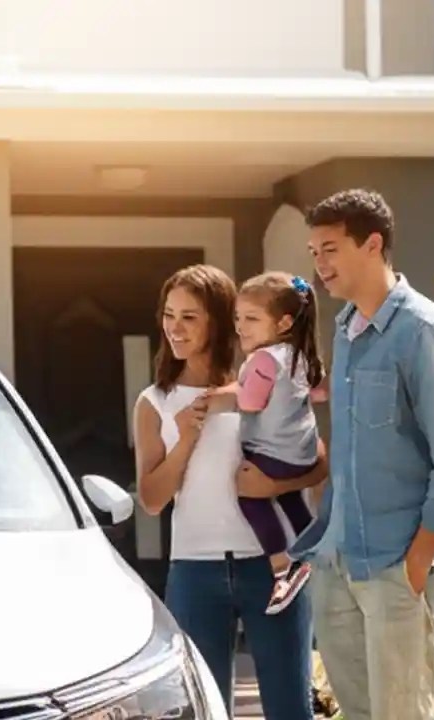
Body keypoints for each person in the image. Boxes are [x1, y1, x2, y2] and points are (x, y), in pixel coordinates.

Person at [284, 189, 434, 720]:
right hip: (338, 562)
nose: (319, 265)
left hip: (395, 565)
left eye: (330, 249)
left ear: (372, 245)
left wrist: (418, 561)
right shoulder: (346, 330)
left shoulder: (424, 331)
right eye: (313, 253)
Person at [134, 264, 327, 720]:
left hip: (273, 569)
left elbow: (318, 462)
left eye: (189, 317)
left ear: (220, 320)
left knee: (289, 710)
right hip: (195, 573)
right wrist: (184, 440)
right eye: (169, 315)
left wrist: (275, 484)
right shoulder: (154, 402)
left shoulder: (261, 385)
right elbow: (151, 499)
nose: (174, 328)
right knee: (204, 711)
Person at [205, 271, 327, 615]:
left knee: (250, 496)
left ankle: (280, 565)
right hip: (301, 452)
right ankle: (311, 545)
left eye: (252, 319)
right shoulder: (301, 355)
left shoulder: (262, 360)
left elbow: (250, 404)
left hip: (272, 453)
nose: (241, 326)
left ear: (284, 322)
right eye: (238, 318)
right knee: (288, 496)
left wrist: (229, 392)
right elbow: (318, 393)